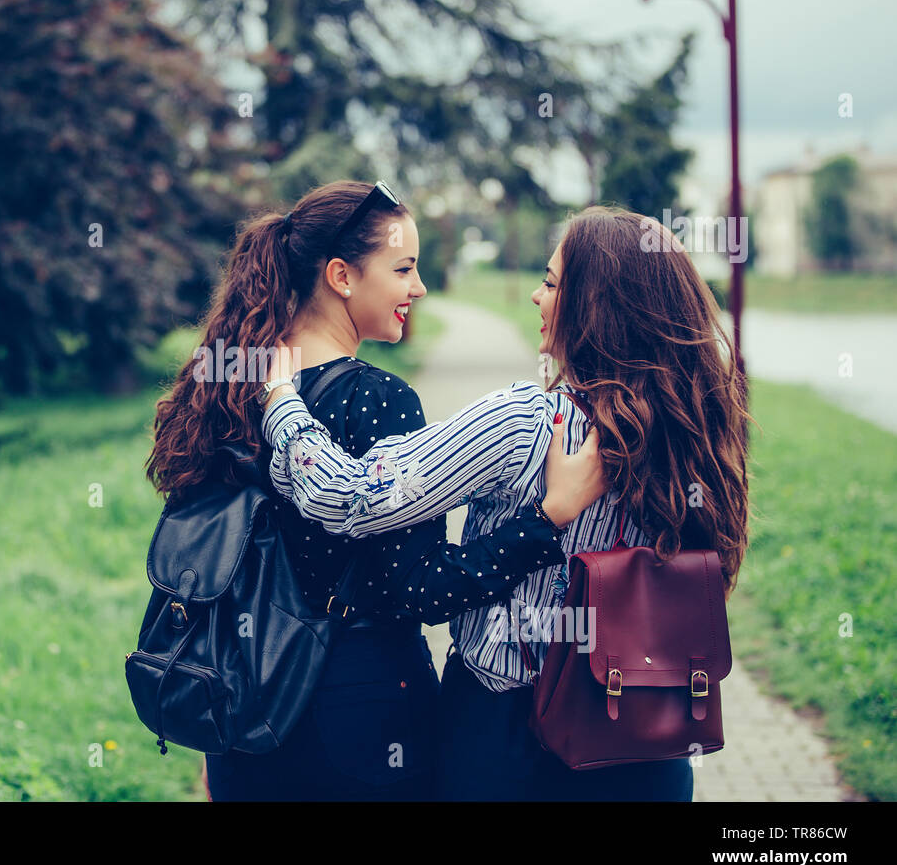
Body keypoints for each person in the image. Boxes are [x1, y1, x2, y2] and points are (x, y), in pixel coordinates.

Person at [260, 204, 751, 801]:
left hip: (512, 738)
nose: (538, 297)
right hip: (653, 735)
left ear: (596, 304)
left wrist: (281, 400)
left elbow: (347, 496)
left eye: (552, 283)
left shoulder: (528, 422)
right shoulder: (698, 430)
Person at [145, 181, 606, 800]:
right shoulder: (378, 399)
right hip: (361, 718)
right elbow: (422, 589)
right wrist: (539, 526)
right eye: (404, 268)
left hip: (240, 701)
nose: (419, 288)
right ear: (341, 276)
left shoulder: (232, 387)